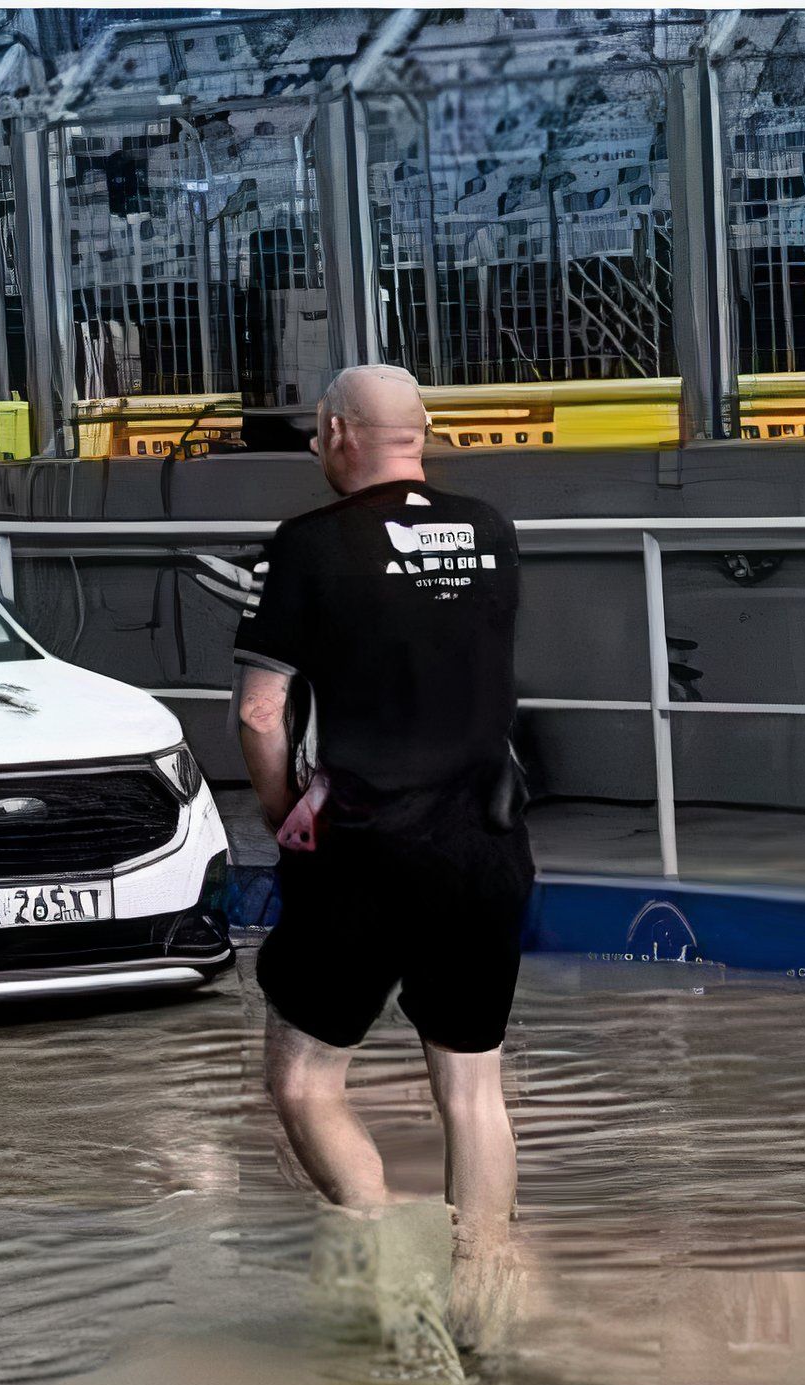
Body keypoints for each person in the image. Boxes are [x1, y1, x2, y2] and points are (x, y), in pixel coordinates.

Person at [231, 364, 533, 1268]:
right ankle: (486, 1292)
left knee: (304, 1079)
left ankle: (392, 1265)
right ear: (422, 430)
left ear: (334, 432)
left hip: (365, 846)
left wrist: (285, 815)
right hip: (487, 842)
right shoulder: (492, 529)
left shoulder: (308, 544)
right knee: (474, 1091)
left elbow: (260, 713)